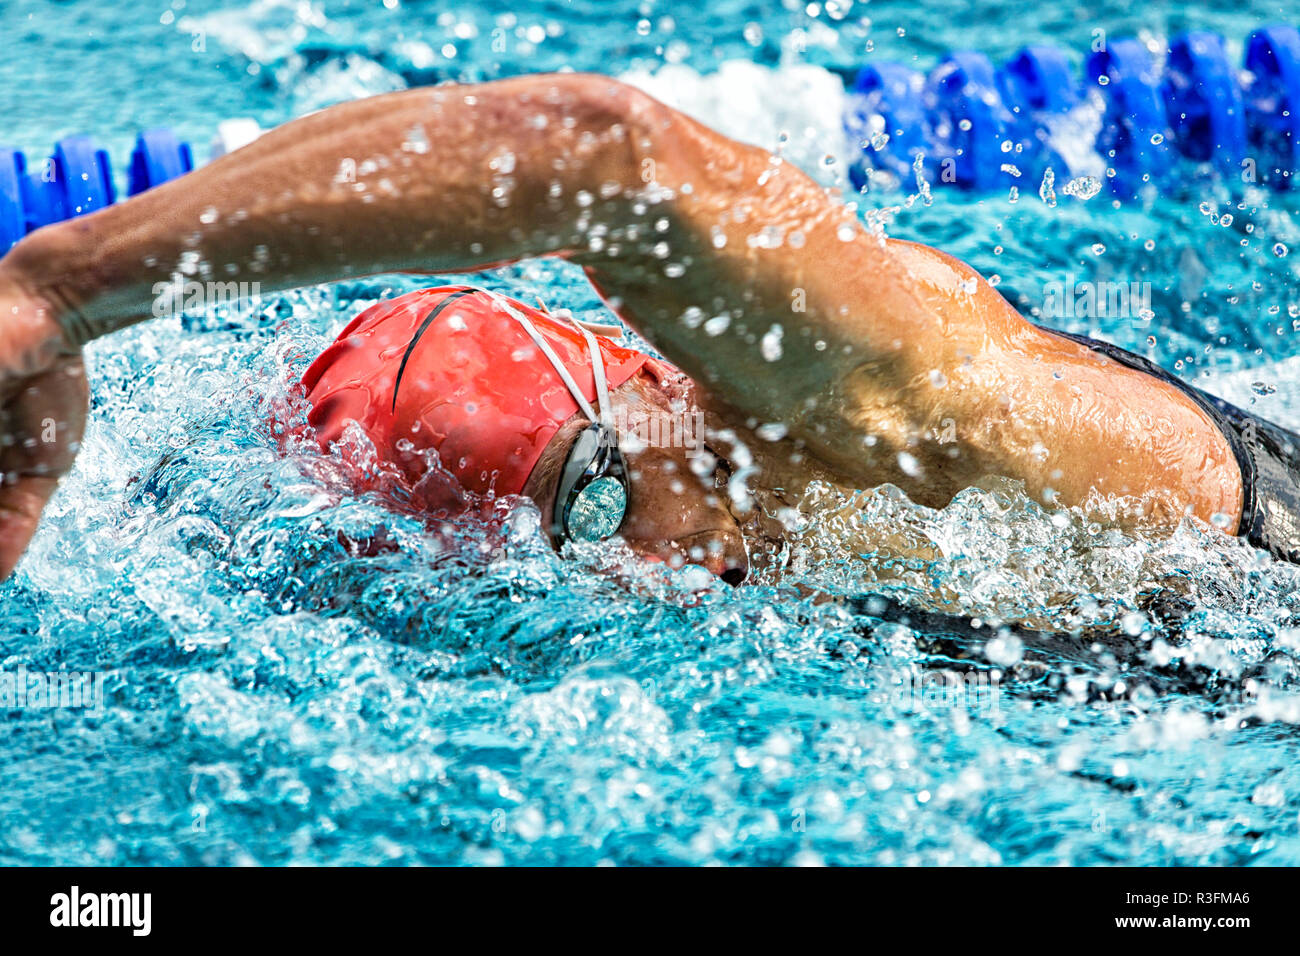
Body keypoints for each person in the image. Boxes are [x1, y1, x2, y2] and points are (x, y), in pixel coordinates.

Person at [0, 72, 1296, 584]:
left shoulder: (903, 414)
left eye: (599, 494)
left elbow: (599, 150)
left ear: (646, 375)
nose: (628, 570)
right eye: (559, 548)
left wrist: (61, 289)